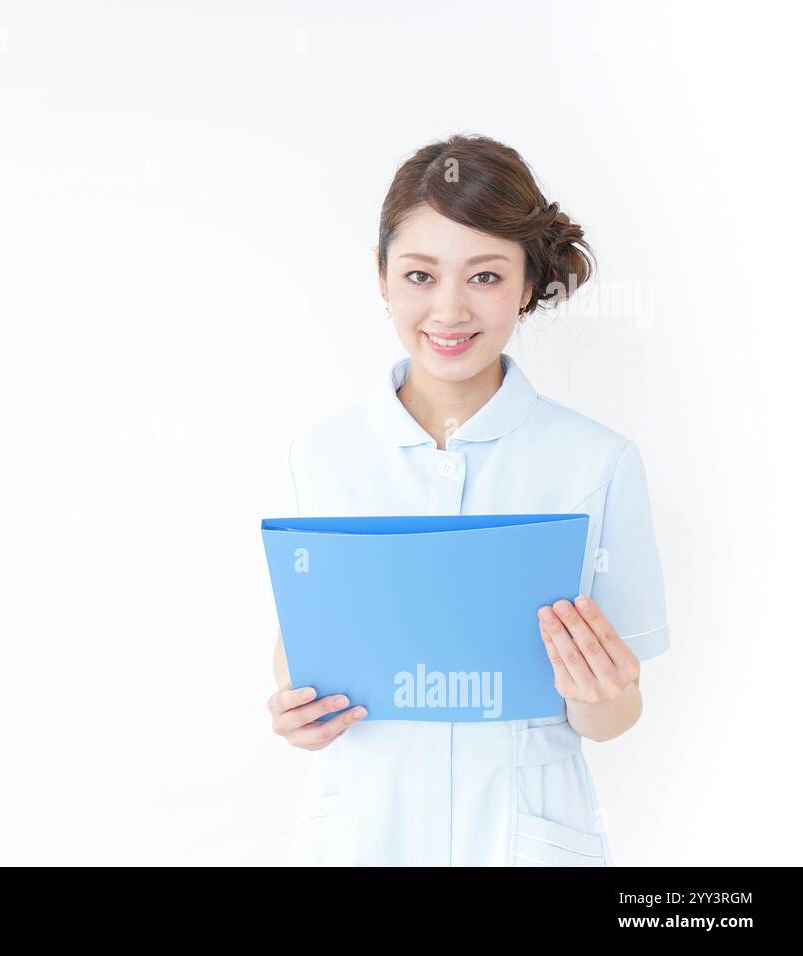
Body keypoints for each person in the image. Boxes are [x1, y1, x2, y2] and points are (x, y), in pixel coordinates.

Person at [266, 133, 670, 866]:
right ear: (382, 278)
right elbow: (297, 662)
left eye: (484, 277)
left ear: (526, 285)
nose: (448, 310)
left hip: (526, 836)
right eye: (420, 275)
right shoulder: (321, 457)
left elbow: (615, 713)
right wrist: (298, 714)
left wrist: (598, 693)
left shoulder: (598, 461)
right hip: (363, 830)